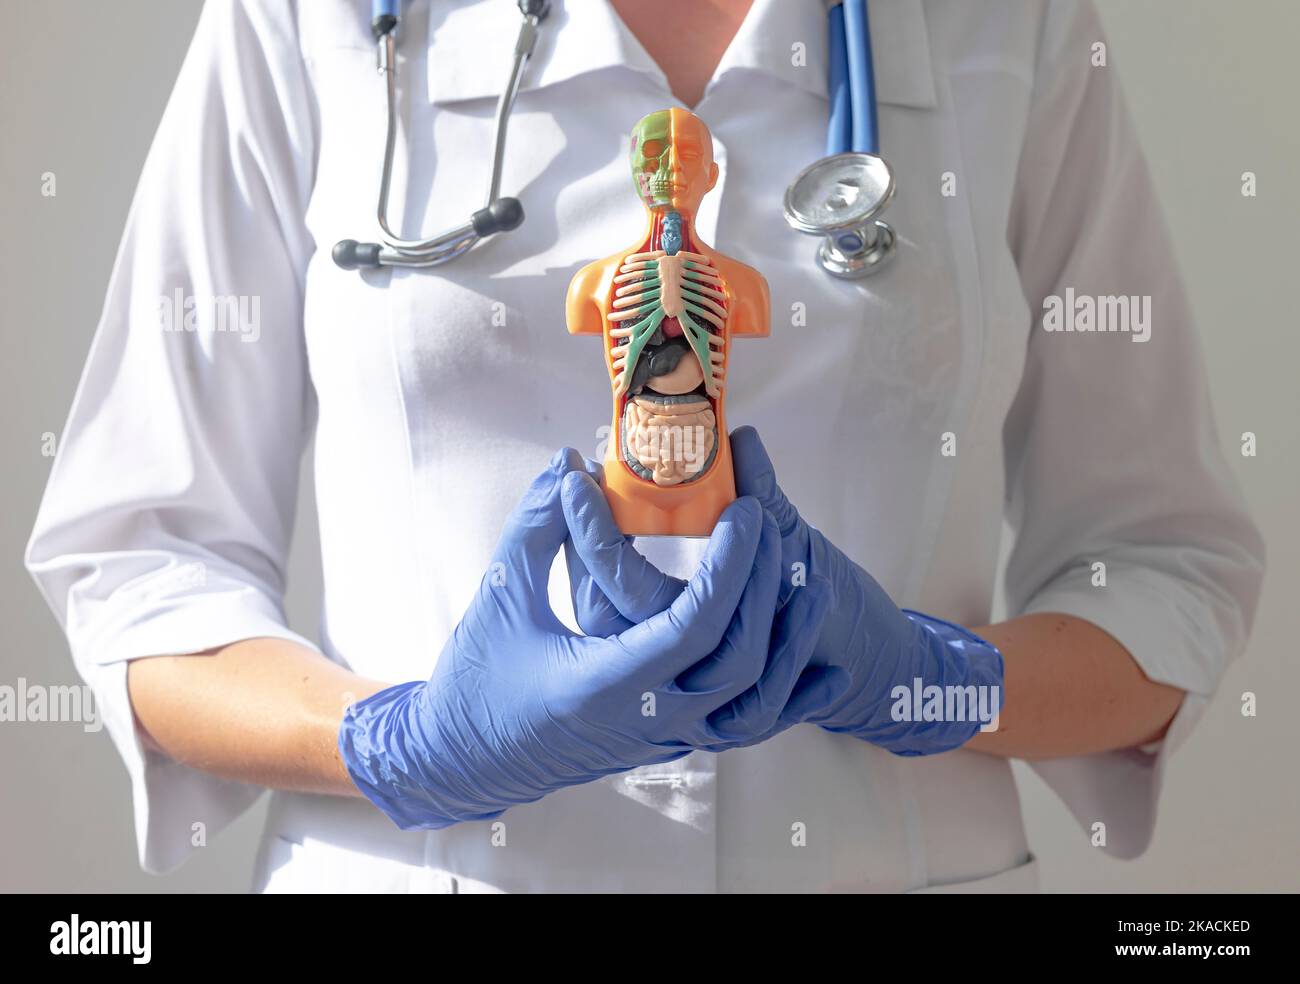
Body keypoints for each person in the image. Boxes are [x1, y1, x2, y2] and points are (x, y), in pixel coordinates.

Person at [27, 0, 1263, 893]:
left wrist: (923, 679)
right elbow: (140, 565)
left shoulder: (1010, 25)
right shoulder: (317, 18)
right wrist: (400, 744)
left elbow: (1163, 571)